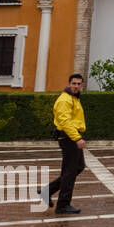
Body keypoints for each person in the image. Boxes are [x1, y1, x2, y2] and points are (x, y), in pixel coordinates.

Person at [37, 73, 88, 214]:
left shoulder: (74, 98)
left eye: (79, 84)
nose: (76, 86)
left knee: (78, 167)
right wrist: (77, 138)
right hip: (69, 138)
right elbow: (65, 122)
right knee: (70, 172)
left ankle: (47, 191)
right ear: (69, 83)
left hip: (72, 137)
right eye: (74, 83)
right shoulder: (64, 100)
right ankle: (63, 205)